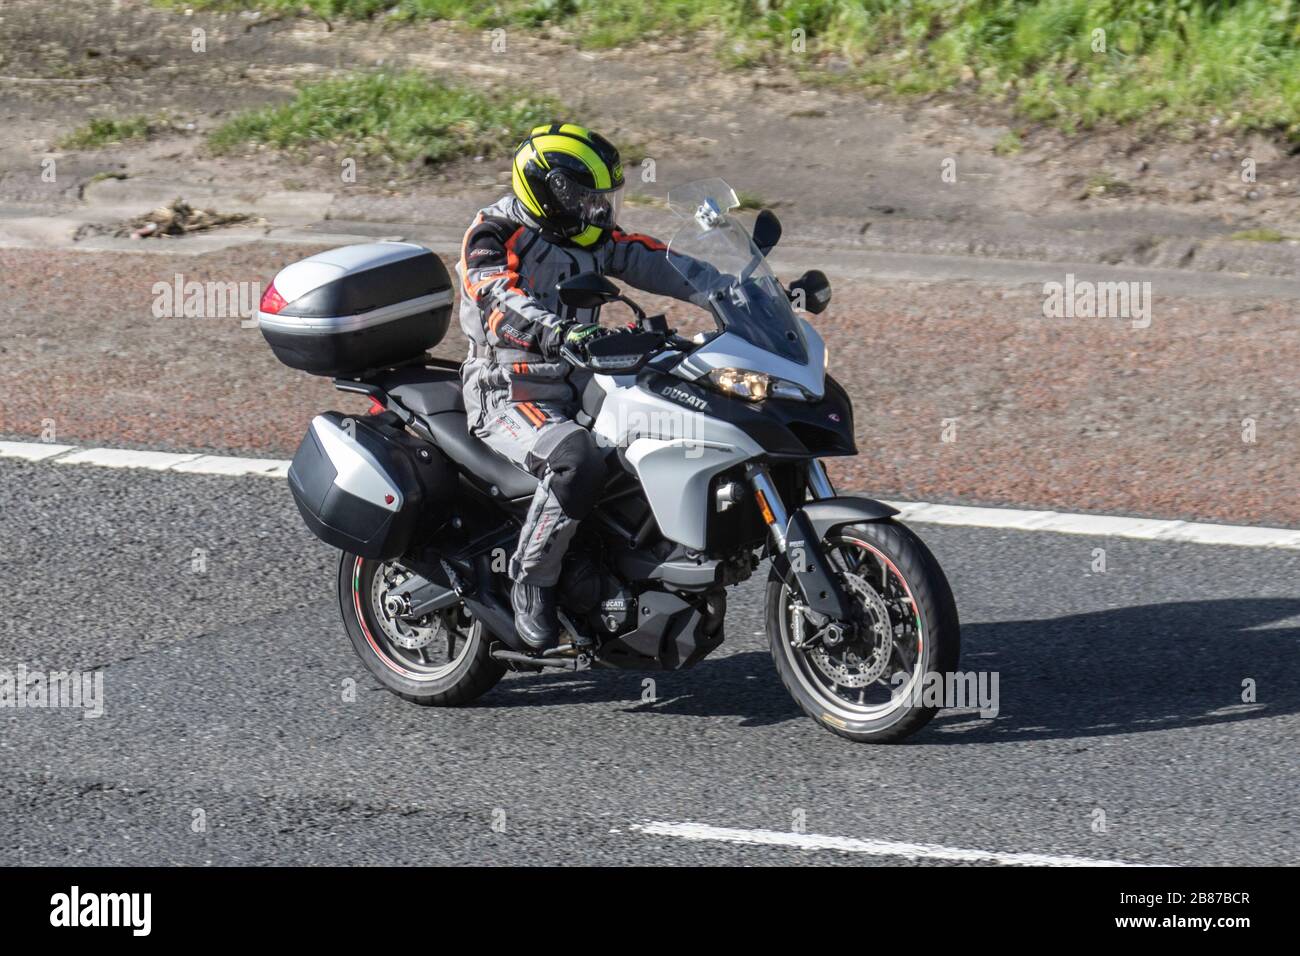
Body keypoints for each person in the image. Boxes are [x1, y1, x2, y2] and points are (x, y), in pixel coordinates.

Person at [456, 123, 711, 651]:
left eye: (604, 196)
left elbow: (664, 263)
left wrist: (745, 290)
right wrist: (562, 331)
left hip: (580, 376)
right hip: (508, 386)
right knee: (579, 460)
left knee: (673, 416)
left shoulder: (591, 237)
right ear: (548, 189)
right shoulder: (493, 235)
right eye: (586, 196)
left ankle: (635, 566)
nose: (599, 208)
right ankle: (532, 579)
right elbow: (500, 300)